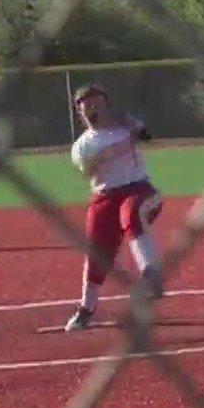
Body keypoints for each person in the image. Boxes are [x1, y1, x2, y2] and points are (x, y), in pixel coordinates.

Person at [64, 84, 165, 331]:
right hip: (105, 197)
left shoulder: (124, 126)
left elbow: (147, 136)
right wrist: (110, 150)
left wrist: (132, 124)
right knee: (97, 253)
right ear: (80, 113)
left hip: (139, 189)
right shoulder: (81, 146)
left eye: (98, 102)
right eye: (87, 105)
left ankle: (150, 273)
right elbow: (89, 171)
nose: (93, 108)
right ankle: (86, 309)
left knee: (130, 213)